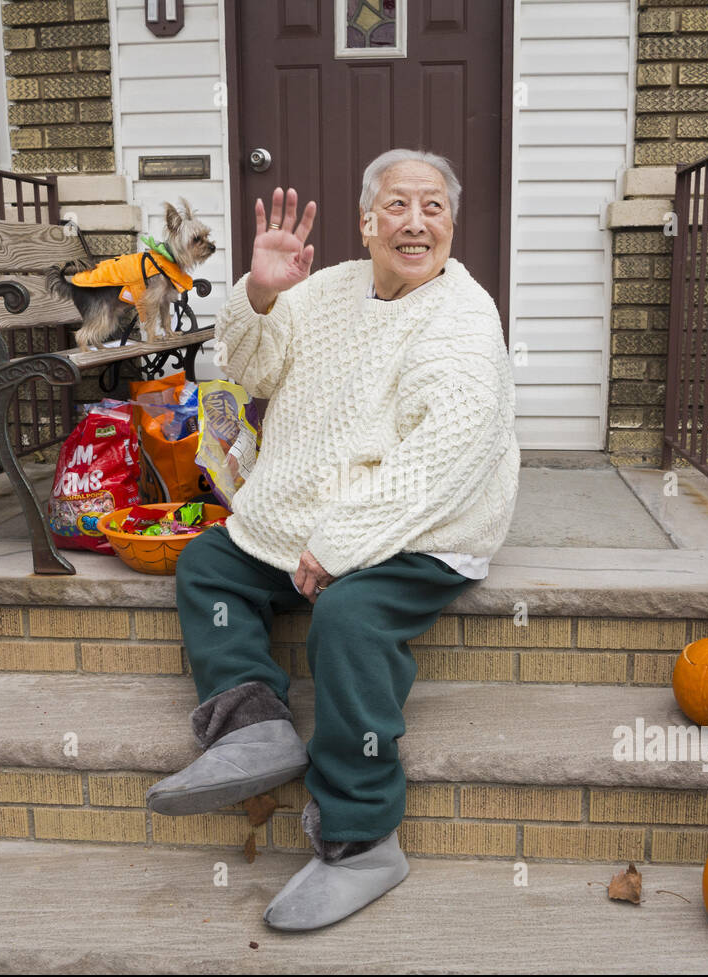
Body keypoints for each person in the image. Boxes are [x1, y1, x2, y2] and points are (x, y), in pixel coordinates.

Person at [146, 149, 521, 930]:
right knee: (213, 563)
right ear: (365, 220)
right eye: (396, 206)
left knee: (348, 619)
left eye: (433, 209)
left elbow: (439, 460)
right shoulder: (328, 288)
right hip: (306, 519)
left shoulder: (464, 317)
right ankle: (253, 727)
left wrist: (340, 543)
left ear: (452, 224)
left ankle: (363, 838)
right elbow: (253, 372)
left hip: (423, 525)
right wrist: (258, 296)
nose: (414, 224)